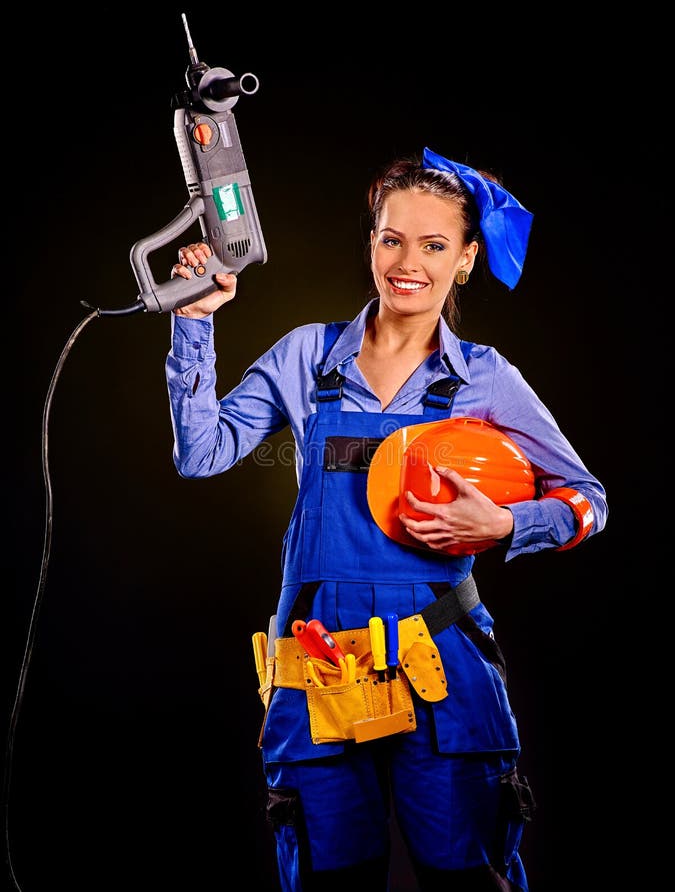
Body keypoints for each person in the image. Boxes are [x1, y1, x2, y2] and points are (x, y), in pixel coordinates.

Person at [165, 147, 608, 891]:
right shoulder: (305, 356)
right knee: (329, 880)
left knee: (469, 877)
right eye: (392, 239)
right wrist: (194, 323)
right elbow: (201, 453)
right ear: (371, 242)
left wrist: (507, 526)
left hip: (444, 669)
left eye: (434, 245)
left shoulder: (485, 377)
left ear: (465, 260)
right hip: (319, 668)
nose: (408, 263)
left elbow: (588, 499)